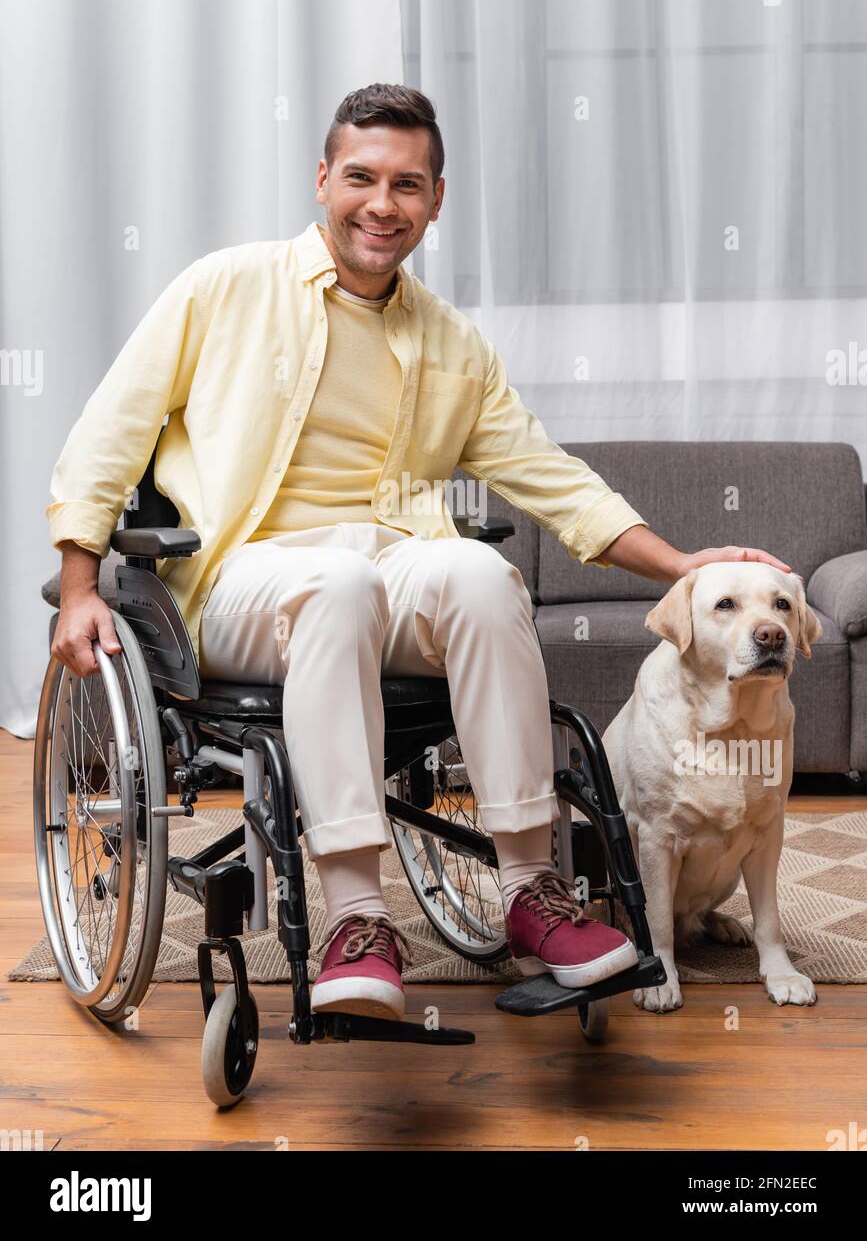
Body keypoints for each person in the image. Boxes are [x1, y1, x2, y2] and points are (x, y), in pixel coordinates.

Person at [47, 83, 792, 1020]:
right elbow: (110, 432)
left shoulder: (451, 344)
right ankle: (358, 914)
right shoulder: (223, 287)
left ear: (436, 199)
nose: (381, 203)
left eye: (408, 184)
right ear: (323, 179)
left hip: (390, 578)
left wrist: (683, 567)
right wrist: (80, 583)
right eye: (360, 177)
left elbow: (549, 475)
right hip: (249, 583)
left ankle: (532, 889)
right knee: (340, 580)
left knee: (481, 571)